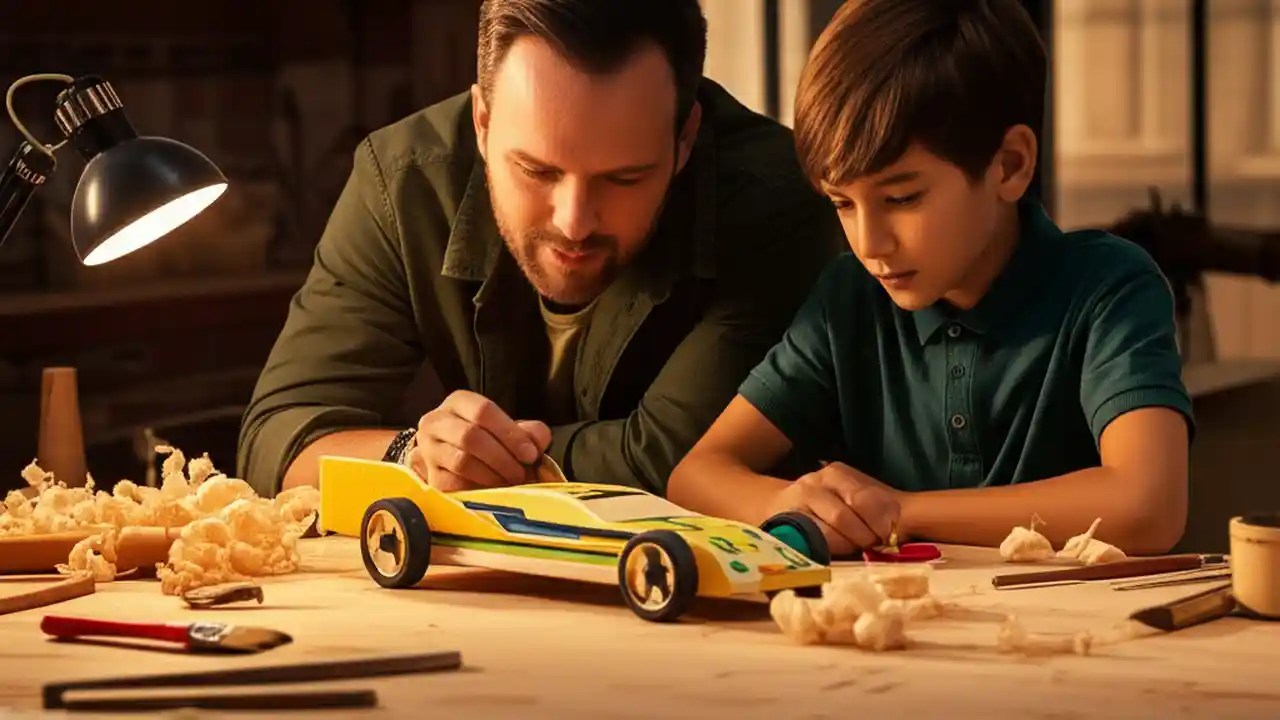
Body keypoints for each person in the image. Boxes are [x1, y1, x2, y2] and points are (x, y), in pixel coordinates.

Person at [236, 0, 842, 497]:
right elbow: (276, 437)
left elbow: (681, 463)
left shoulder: (779, 200)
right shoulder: (405, 181)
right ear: (481, 121)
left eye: (623, 178)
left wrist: (483, 468)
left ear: (686, 139)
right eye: (536, 171)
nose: (573, 222)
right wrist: (412, 455)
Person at [667, 0, 1194, 557]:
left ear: (1009, 165)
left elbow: (1149, 504)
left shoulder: (1107, 290)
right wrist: (790, 502)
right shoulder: (849, 302)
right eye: (843, 203)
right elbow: (697, 474)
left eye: (902, 198)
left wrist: (901, 510)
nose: (870, 244)